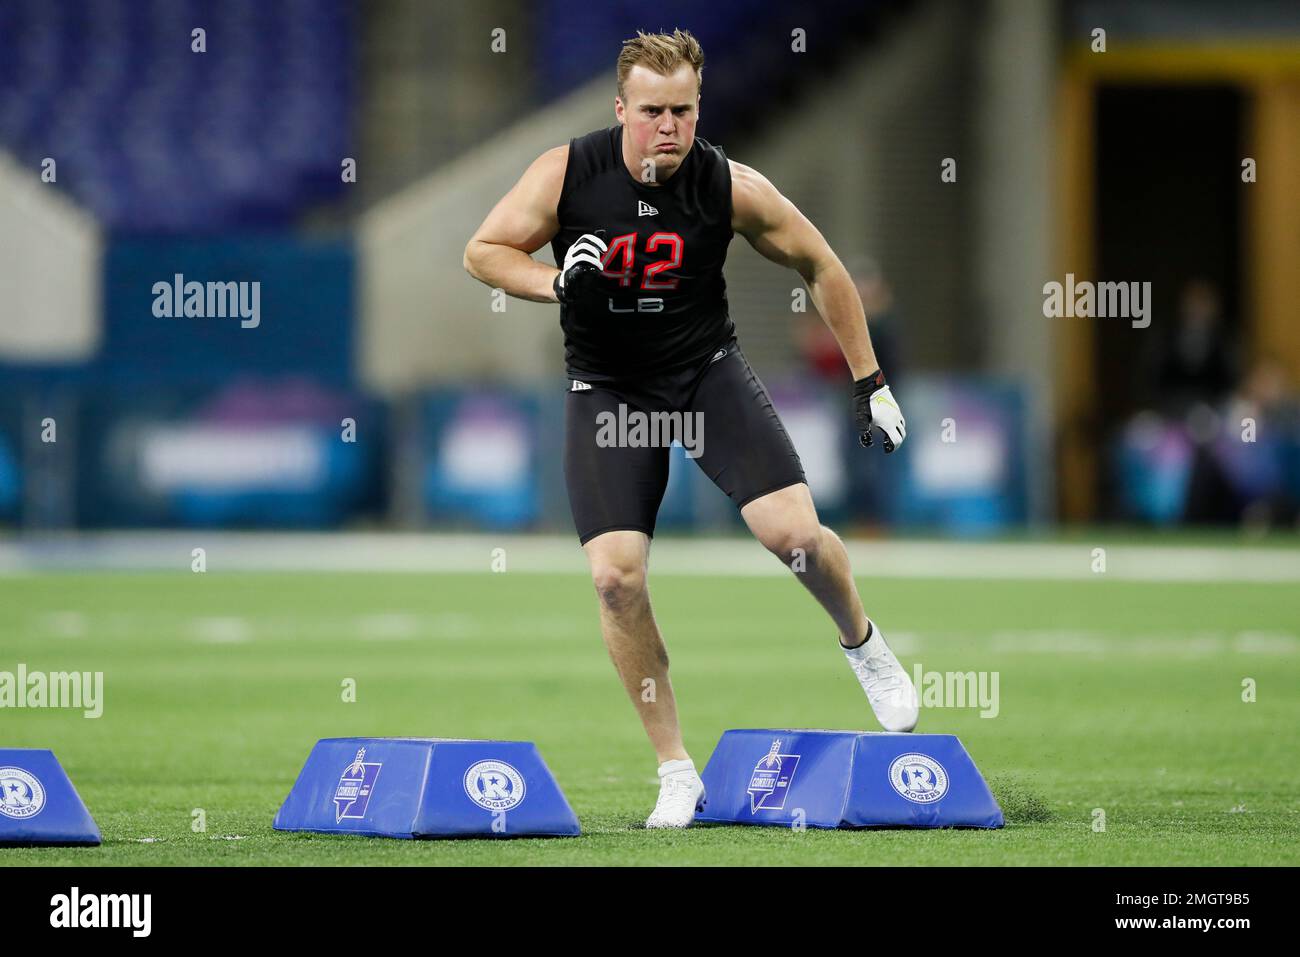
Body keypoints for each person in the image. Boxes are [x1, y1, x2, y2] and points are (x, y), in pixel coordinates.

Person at [464, 29, 916, 829]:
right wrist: (555, 281)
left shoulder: (726, 183)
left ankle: (863, 641)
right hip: (608, 387)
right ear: (620, 109)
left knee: (796, 536)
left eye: (681, 110)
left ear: (698, 108)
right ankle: (676, 769)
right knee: (615, 578)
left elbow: (822, 264)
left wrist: (869, 380)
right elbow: (484, 250)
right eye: (650, 111)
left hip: (703, 373)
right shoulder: (568, 172)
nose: (667, 127)